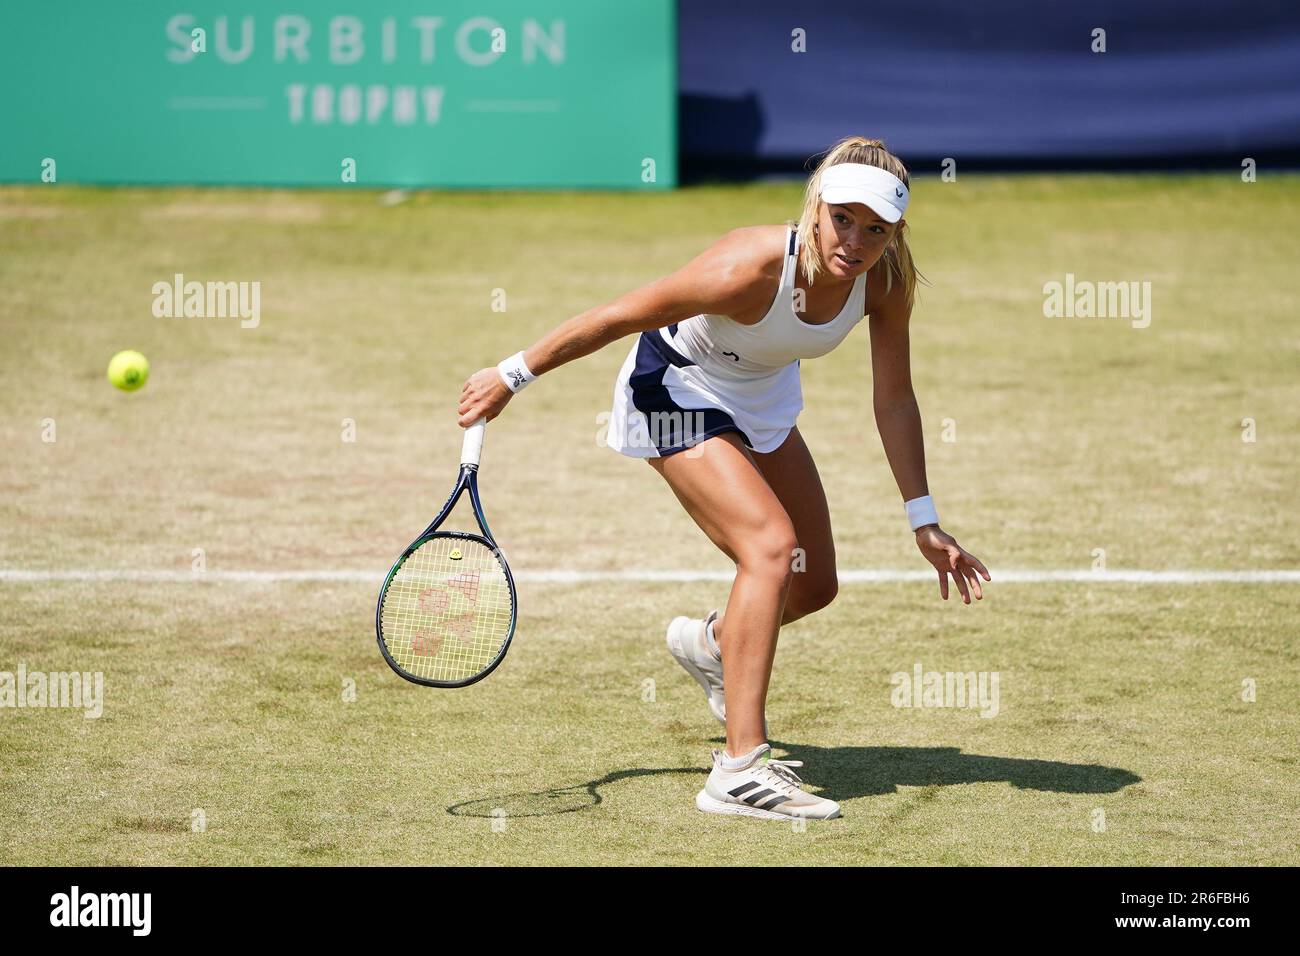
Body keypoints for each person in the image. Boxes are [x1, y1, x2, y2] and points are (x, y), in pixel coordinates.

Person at [457, 135, 991, 821]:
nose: (854, 241)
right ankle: (738, 769)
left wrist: (924, 518)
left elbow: (893, 398)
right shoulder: (748, 268)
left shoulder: (884, 284)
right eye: (843, 219)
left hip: (759, 397)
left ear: (895, 234)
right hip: (674, 390)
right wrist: (512, 374)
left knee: (814, 582)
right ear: (817, 208)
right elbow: (620, 314)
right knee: (769, 546)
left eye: (875, 228)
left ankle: (711, 645)